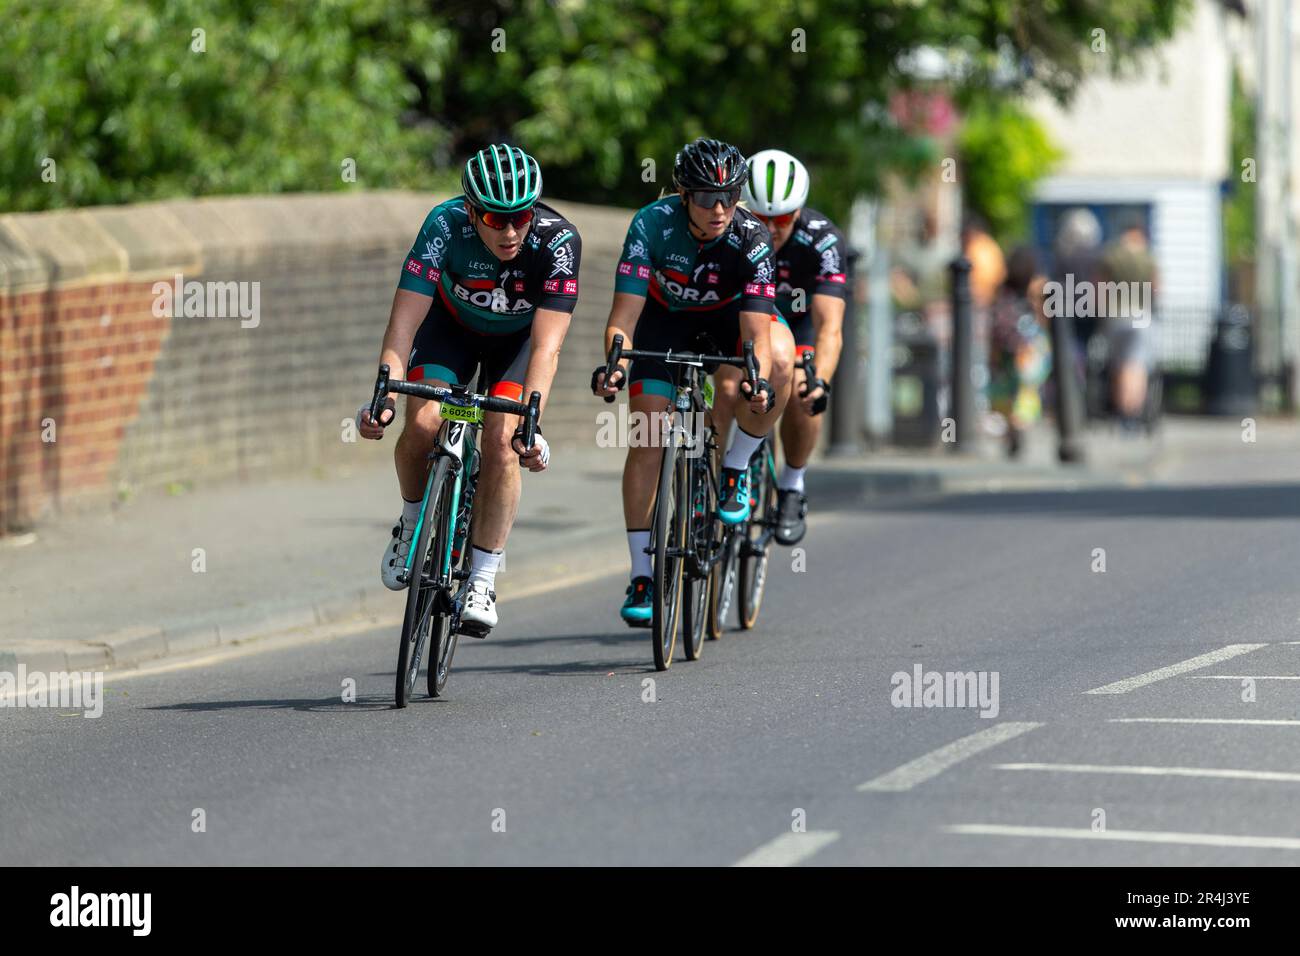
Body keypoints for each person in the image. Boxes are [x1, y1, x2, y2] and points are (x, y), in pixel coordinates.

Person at [358, 144, 581, 634]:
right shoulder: (443, 225)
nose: (509, 231)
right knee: (422, 422)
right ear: (470, 210)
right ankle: (413, 523)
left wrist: (531, 421)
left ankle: (481, 580)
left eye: (520, 217)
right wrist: (385, 395)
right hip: (450, 331)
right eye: (493, 218)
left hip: (517, 345)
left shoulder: (559, 242)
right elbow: (403, 324)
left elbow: (547, 347)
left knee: (501, 441)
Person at [591, 138, 795, 626]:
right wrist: (616, 365)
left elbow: (756, 332)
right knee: (646, 435)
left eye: (730, 195)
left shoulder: (751, 236)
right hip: (665, 320)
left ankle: (735, 469)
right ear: (684, 196)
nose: (720, 208)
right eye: (707, 198)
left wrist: (757, 380)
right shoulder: (651, 224)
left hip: (728, 320)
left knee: (779, 365)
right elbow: (623, 317)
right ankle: (642, 574)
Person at [740, 149, 846, 545]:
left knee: (805, 390)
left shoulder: (822, 239)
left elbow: (830, 327)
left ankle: (791, 486)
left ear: (798, 211)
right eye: (760, 218)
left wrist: (821, 380)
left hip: (799, 326)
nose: (771, 227)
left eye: (782, 218)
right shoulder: (731, 231)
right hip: (749, 319)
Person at [988, 247, 1051, 458]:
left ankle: (1012, 426)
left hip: (1008, 348)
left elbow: (996, 321)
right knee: (1027, 389)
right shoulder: (1037, 287)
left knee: (1007, 391)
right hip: (1029, 349)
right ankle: (1019, 423)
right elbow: (1045, 318)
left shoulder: (1002, 291)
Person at [1098, 215, 1158, 425]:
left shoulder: (1112, 254)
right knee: (1137, 364)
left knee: (1120, 365)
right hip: (1141, 314)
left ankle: (1122, 411)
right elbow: (1156, 287)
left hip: (1116, 315)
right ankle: (1133, 411)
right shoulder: (1148, 256)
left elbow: (1100, 288)